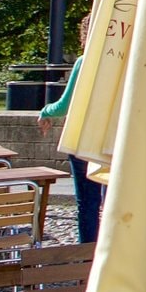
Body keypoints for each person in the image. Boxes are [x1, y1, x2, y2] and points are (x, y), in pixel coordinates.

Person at [36, 57, 103, 244]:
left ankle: (87, 256)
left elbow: (64, 106)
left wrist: (46, 111)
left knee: (88, 203)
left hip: (84, 139)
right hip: (116, 139)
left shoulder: (86, 60)